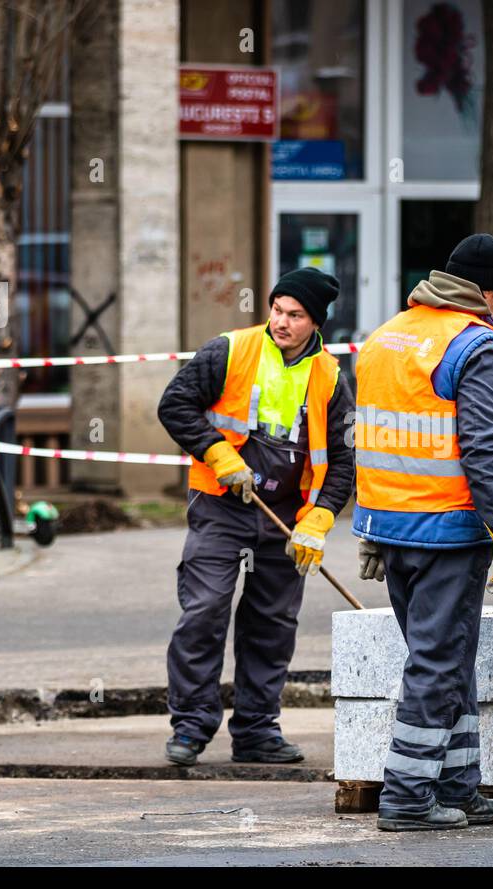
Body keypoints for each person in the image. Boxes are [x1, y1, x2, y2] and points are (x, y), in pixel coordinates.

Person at [353, 233, 493, 831]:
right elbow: (481, 446)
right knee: (437, 661)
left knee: (450, 657)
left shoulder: (387, 336)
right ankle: (405, 794)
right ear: (485, 290)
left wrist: (370, 528)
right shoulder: (474, 344)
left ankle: (457, 783)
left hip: (391, 526)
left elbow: (372, 436)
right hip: (448, 528)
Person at [157, 268, 355, 766]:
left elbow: (343, 461)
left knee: (272, 624)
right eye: (277, 309)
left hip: (285, 515)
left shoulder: (330, 377)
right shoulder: (230, 351)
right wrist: (219, 456)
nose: (282, 322)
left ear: (316, 323)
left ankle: (256, 731)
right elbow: (175, 405)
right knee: (204, 610)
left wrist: (318, 521)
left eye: (295, 315)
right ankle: (191, 727)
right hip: (222, 506)